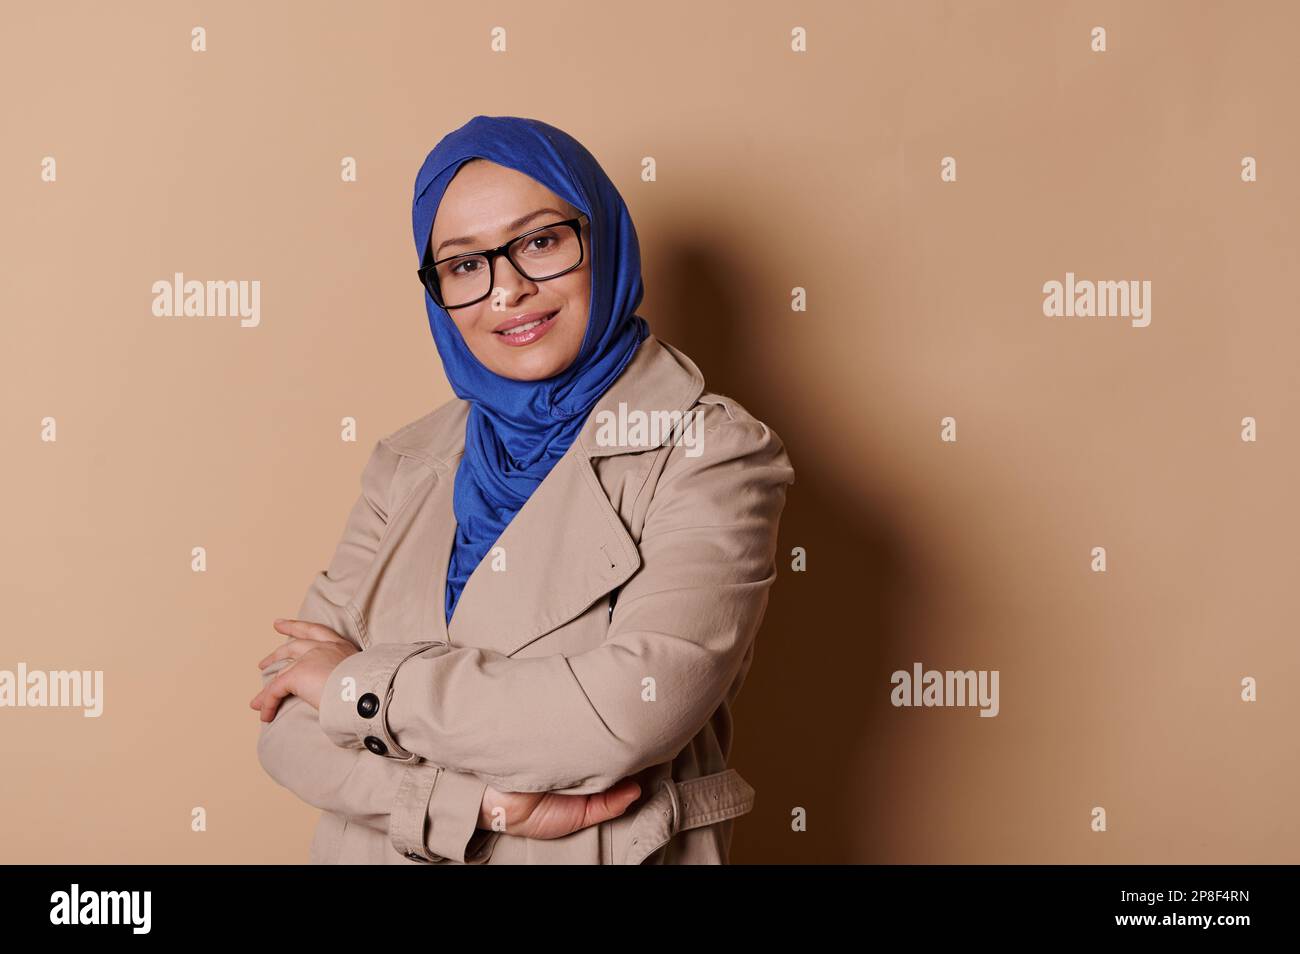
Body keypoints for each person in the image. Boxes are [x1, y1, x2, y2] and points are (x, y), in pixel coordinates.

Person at [249, 115, 795, 864]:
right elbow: (285, 727)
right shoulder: (407, 462)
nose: (507, 289)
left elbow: (623, 715)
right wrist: (483, 807)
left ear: (599, 239)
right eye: (465, 265)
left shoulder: (712, 453)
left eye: (540, 242)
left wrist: (353, 684)